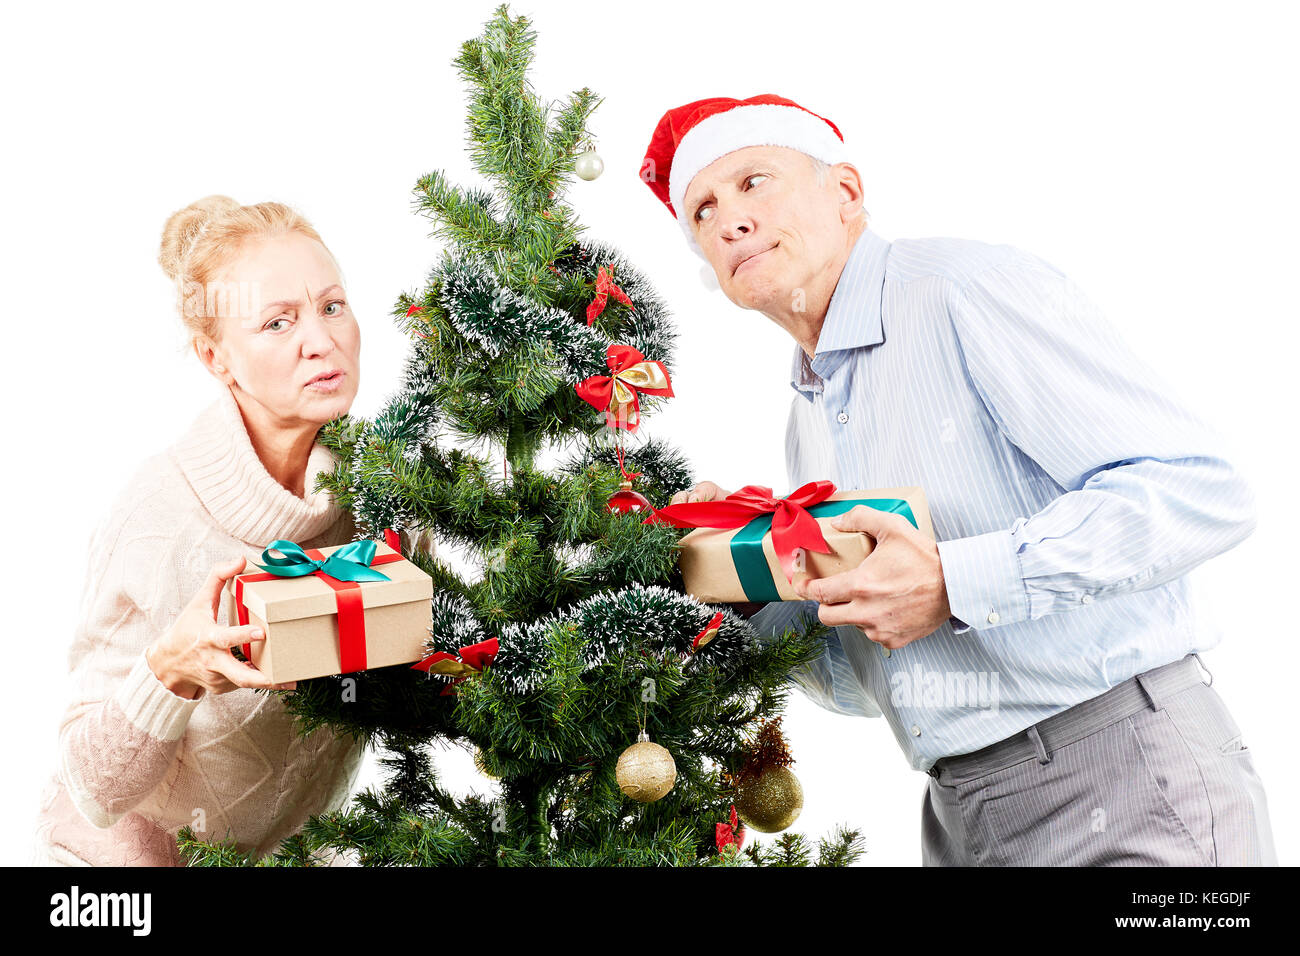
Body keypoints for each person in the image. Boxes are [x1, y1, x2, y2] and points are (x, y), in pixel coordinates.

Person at [642, 94, 1277, 866]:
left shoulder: (963, 289)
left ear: (846, 193)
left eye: (755, 181)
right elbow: (868, 676)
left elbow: (1199, 488)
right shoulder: (806, 417)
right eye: (703, 210)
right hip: (961, 815)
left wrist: (957, 581)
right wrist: (728, 596)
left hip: (1122, 776)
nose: (730, 219)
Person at [33, 196, 367, 865]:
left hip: (295, 851)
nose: (320, 341)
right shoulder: (157, 513)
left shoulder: (385, 493)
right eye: (277, 322)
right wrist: (169, 672)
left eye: (331, 306)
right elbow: (89, 785)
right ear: (215, 358)